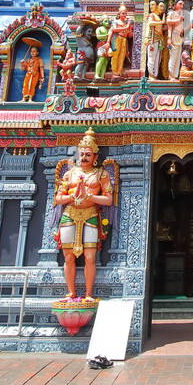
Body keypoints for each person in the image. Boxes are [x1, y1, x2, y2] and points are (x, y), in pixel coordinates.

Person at [53, 128, 114, 301]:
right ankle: (71, 292)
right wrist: (72, 196)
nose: (84, 157)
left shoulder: (101, 174)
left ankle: (88, 294)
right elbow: (58, 198)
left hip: (90, 214)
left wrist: (90, 196)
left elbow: (109, 200)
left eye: (88, 154)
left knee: (89, 256)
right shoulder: (69, 173)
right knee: (69, 256)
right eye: (82, 154)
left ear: (95, 157)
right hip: (70, 213)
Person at [108, 3, 132, 77]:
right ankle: (114, 72)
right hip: (117, 39)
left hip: (124, 40)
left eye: (126, 14)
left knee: (122, 56)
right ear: (119, 14)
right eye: (123, 13)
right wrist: (126, 27)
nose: (124, 15)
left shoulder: (125, 23)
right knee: (116, 55)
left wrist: (130, 29)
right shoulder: (116, 21)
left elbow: (129, 35)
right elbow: (114, 29)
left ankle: (119, 71)